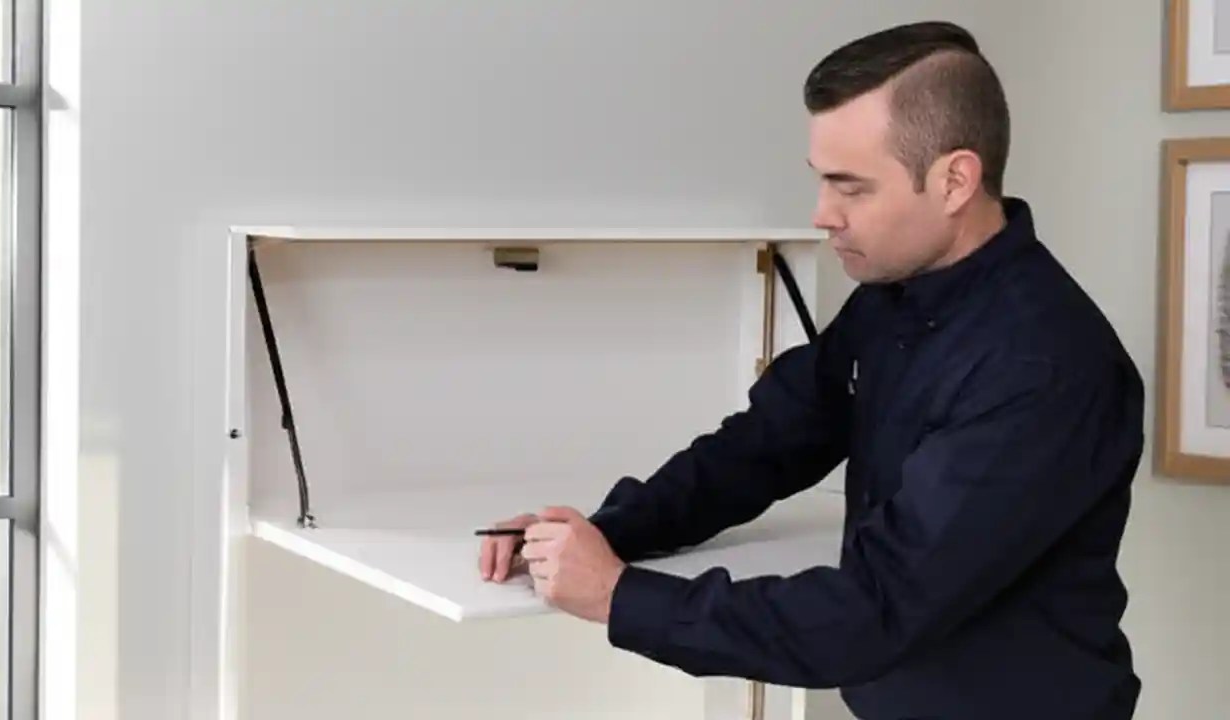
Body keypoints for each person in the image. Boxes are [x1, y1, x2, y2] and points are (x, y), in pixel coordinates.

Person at [477, 20, 1144, 720]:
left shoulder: (1041, 368)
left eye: (850, 188)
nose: (822, 215)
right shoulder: (889, 301)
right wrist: (602, 534)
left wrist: (619, 596)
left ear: (955, 180)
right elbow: (764, 445)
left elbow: (877, 609)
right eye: (821, 181)